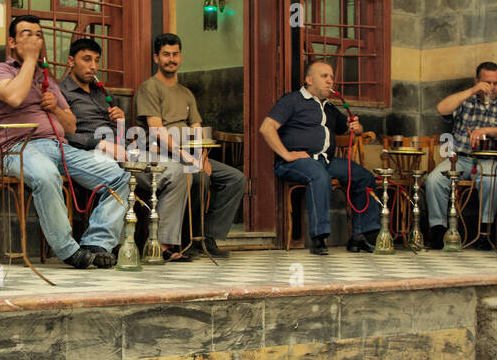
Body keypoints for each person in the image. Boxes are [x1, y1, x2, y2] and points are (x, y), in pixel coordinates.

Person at [0, 16, 129, 269]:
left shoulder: (45, 78)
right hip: (18, 149)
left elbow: (71, 126)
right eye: (27, 34)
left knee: (118, 176)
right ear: (12, 42)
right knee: (46, 176)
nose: (34, 39)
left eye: (38, 35)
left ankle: (97, 244)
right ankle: (69, 251)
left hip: (59, 146)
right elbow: (14, 97)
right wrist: (29, 59)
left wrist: (55, 109)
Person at [58, 37, 192, 262]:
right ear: (71, 61)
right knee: (116, 172)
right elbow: (63, 133)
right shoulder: (61, 92)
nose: (93, 66)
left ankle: (163, 244)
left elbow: (119, 134)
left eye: (97, 60)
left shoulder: (100, 92)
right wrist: (100, 143)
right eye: (86, 59)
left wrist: (119, 122)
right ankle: (118, 245)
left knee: (177, 172)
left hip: (121, 150)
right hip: (89, 153)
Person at [134, 33, 245, 257]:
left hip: (190, 155)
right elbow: (156, 130)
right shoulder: (149, 88)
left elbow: (198, 129)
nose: (171, 59)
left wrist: (202, 156)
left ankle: (207, 235)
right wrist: (188, 157)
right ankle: (187, 240)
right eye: (166, 54)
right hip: (164, 154)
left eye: (175, 54)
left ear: (180, 57)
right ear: (156, 58)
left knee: (235, 179)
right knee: (198, 177)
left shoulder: (186, 93)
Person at [260, 60, 381, 255]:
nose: (330, 81)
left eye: (332, 77)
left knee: (363, 176)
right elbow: (266, 128)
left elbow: (350, 128)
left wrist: (358, 129)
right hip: (297, 162)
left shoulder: (330, 108)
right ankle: (319, 238)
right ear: (308, 80)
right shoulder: (291, 101)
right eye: (324, 76)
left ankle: (361, 235)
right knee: (318, 175)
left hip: (326, 161)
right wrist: (287, 154)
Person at [425, 61, 497, 248]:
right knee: (434, 180)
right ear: (477, 80)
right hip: (459, 158)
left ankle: (485, 233)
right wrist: (472, 91)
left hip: (489, 158)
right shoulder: (465, 99)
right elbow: (442, 108)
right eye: (487, 83)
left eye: (496, 83)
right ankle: (438, 231)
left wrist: (486, 130)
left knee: (490, 179)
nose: (492, 87)